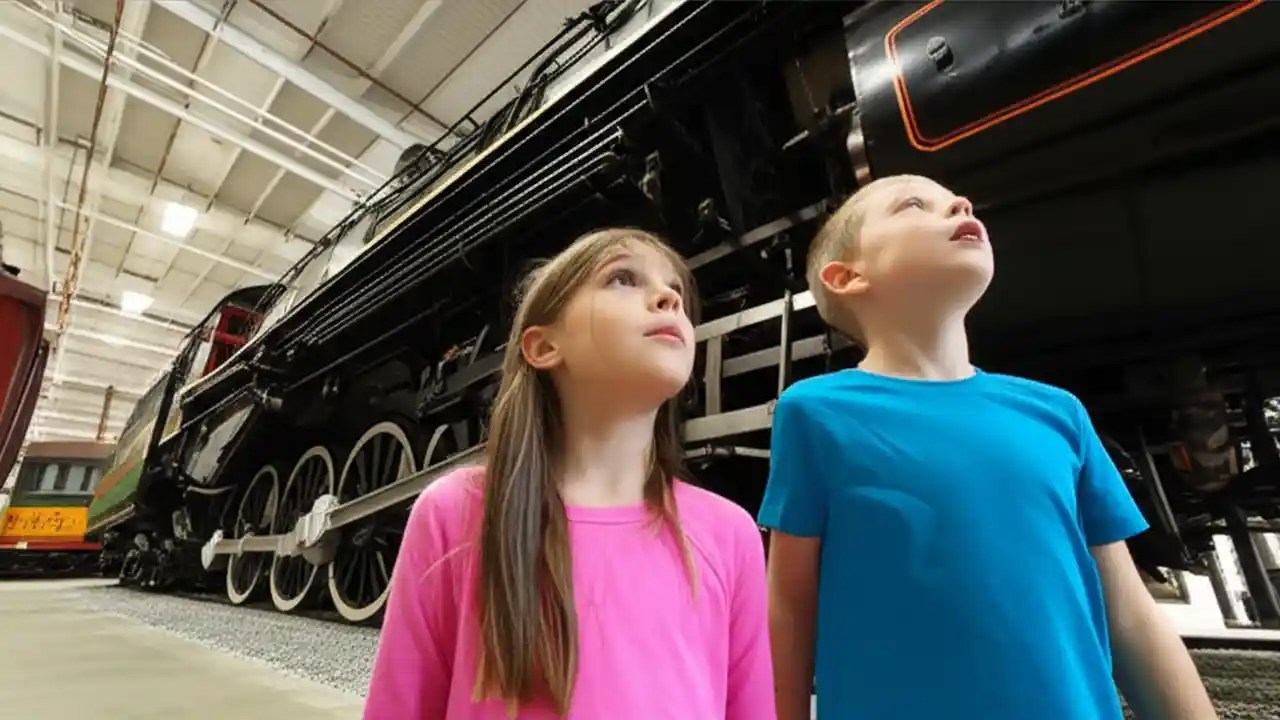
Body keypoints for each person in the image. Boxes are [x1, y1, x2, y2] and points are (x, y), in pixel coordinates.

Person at [760, 174, 1217, 720]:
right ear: (848, 277)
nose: (959, 203)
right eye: (913, 205)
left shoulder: (1058, 413)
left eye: (957, 201)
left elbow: (1129, 614)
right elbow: (789, 607)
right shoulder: (815, 411)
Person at [363, 228, 775, 719]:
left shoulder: (731, 534)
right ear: (542, 347)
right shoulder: (456, 511)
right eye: (623, 278)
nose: (669, 298)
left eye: (677, 293)